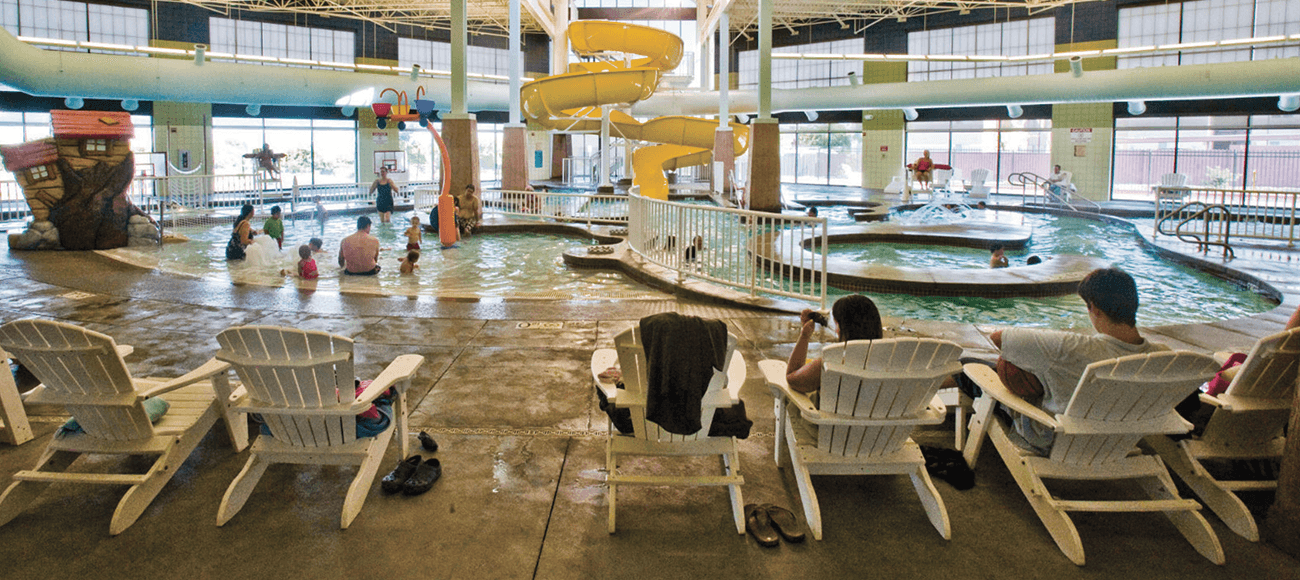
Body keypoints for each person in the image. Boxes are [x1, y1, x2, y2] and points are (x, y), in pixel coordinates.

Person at [987, 267, 1169, 454]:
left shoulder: (1072, 347)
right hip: (1118, 444)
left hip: (1056, 441)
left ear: (1094, 309)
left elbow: (997, 338)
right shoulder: (1165, 358)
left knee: (978, 372)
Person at [785, 294, 885, 394]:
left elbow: (791, 378)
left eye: (836, 324)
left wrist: (805, 335)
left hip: (830, 409)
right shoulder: (889, 362)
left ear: (843, 329)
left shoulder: (830, 363)